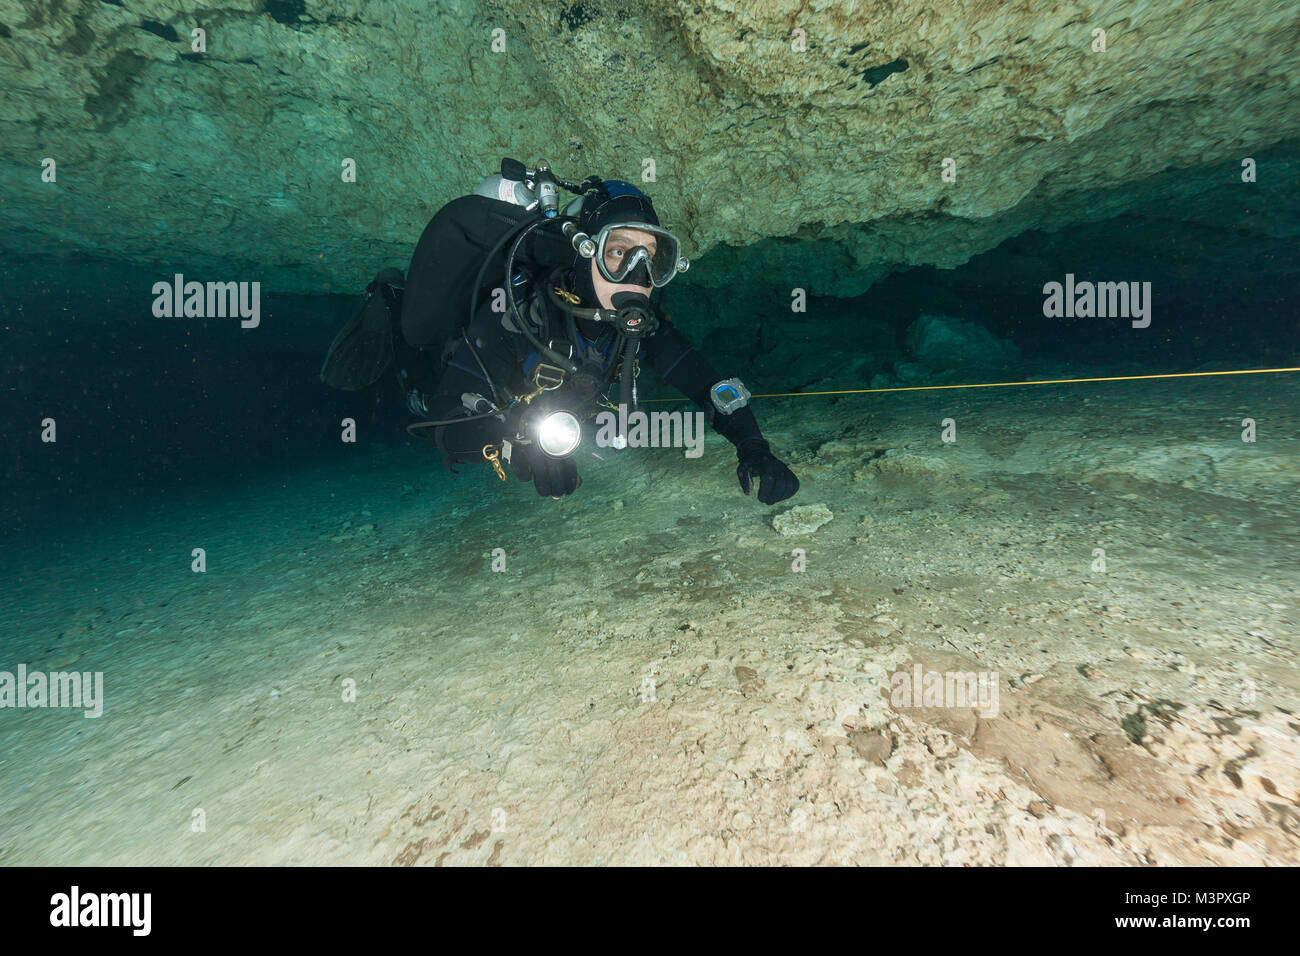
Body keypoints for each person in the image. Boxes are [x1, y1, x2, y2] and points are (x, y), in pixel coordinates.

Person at [329, 178, 799, 504]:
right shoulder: (517, 314)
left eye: (651, 259)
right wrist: (519, 438)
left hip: (548, 409)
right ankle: (390, 299)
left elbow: (711, 388)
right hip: (460, 375)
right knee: (415, 391)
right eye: (618, 253)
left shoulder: (642, 327)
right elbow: (445, 425)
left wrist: (753, 445)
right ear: (585, 254)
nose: (636, 276)